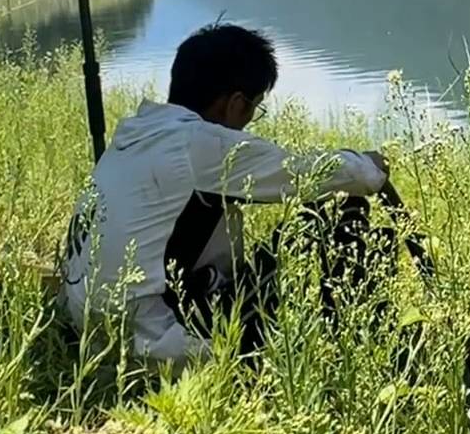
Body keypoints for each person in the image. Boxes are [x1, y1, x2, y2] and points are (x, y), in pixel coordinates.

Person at [60, 23, 392, 367]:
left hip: (91, 330)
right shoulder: (198, 145)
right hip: (152, 347)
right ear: (235, 104)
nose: (250, 120)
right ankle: (361, 350)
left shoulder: (137, 134)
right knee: (336, 207)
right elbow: (303, 171)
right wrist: (367, 166)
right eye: (254, 107)